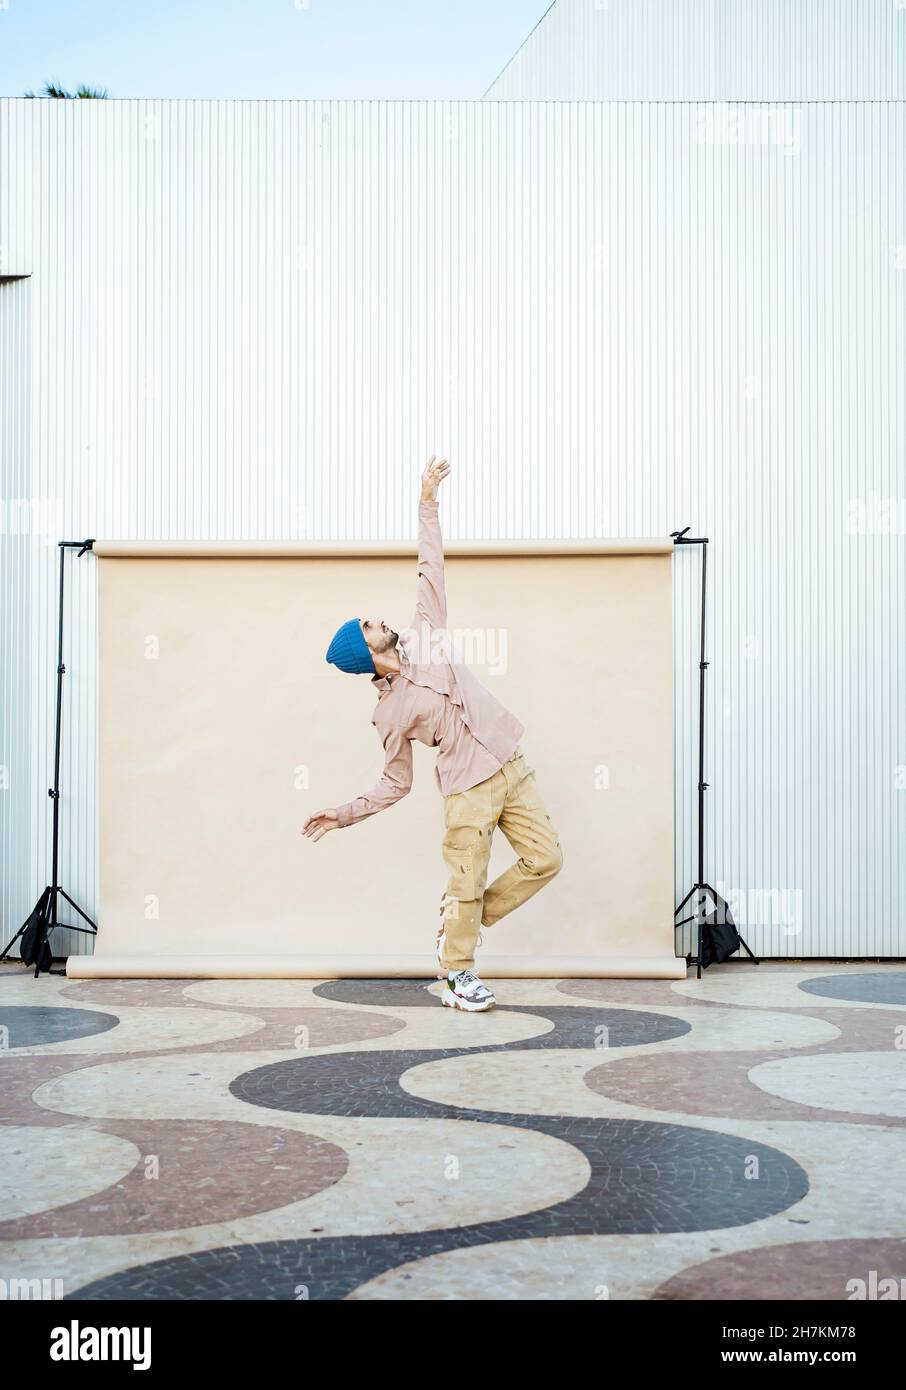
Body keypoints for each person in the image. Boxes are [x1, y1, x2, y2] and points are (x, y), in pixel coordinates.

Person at [303, 456, 563, 1012]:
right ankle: (458, 971)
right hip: (466, 790)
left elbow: (430, 565)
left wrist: (427, 498)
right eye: (369, 625)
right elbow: (395, 781)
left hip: (510, 764)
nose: (378, 619)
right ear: (366, 652)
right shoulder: (389, 714)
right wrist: (344, 813)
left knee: (545, 860)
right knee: (465, 881)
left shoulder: (424, 633)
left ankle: (459, 926)